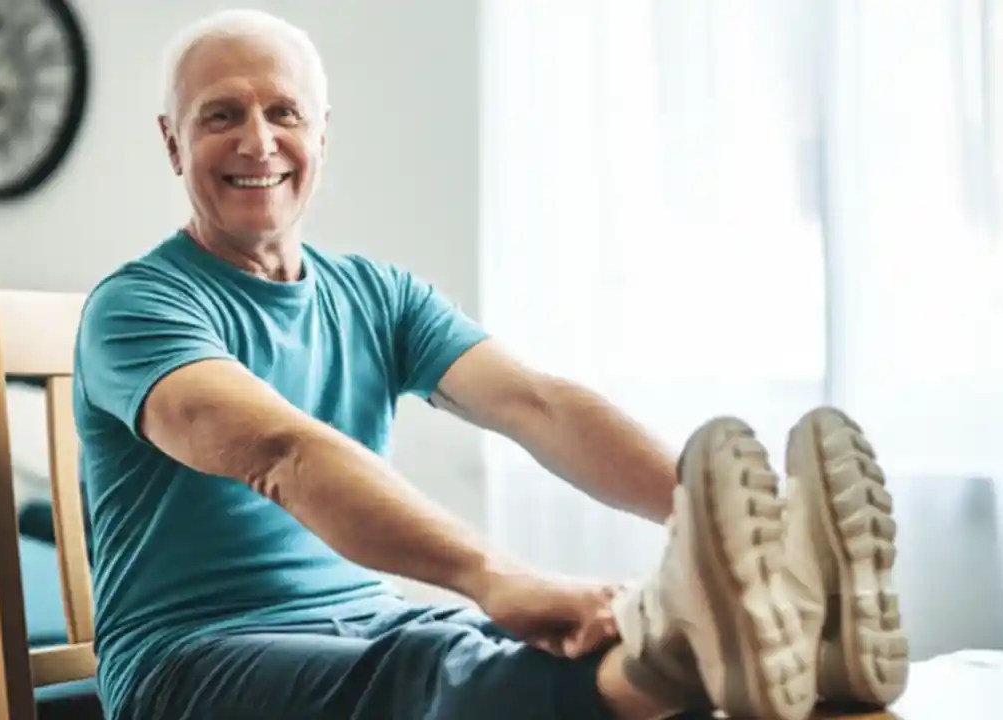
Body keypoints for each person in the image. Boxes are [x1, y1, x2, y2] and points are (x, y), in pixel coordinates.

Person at [73, 9, 908, 720]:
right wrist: (497, 576)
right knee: (434, 674)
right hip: (185, 664)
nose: (259, 140)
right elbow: (283, 454)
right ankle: (700, 641)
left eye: (284, 111)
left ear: (322, 131)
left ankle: (737, 626)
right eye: (221, 116)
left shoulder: (375, 295)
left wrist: (708, 519)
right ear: (173, 143)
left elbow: (534, 405)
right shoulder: (139, 308)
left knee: (529, 645)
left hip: (371, 622)